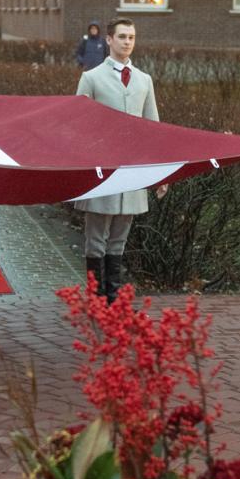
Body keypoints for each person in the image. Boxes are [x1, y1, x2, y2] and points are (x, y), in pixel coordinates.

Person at [74, 18, 164, 301]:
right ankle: (96, 297)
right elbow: (78, 126)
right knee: (96, 237)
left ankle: (113, 297)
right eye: (122, 36)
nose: (127, 42)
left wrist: (159, 173)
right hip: (102, 168)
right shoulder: (91, 78)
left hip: (133, 169)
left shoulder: (144, 80)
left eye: (132, 37)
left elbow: (153, 128)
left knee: (120, 237)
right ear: (109, 40)